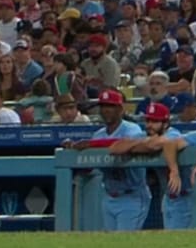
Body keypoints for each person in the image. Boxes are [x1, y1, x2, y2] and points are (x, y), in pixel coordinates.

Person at [61, 89, 150, 231]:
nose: (106, 110)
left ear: (120, 109)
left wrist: (90, 144)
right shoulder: (98, 134)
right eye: (103, 106)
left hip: (132, 195)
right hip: (109, 196)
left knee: (124, 243)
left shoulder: (131, 128)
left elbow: (123, 143)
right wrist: (72, 151)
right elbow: (89, 167)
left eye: (110, 106)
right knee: (111, 245)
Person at [107, 102, 192, 230]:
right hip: (169, 198)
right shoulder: (145, 135)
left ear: (165, 123)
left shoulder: (174, 134)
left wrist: (136, 145)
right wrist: (142, 142)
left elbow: (155, 145)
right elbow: (115, 148)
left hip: (188, 197)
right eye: (148, 121)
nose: (149, 125)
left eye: (154, 121)